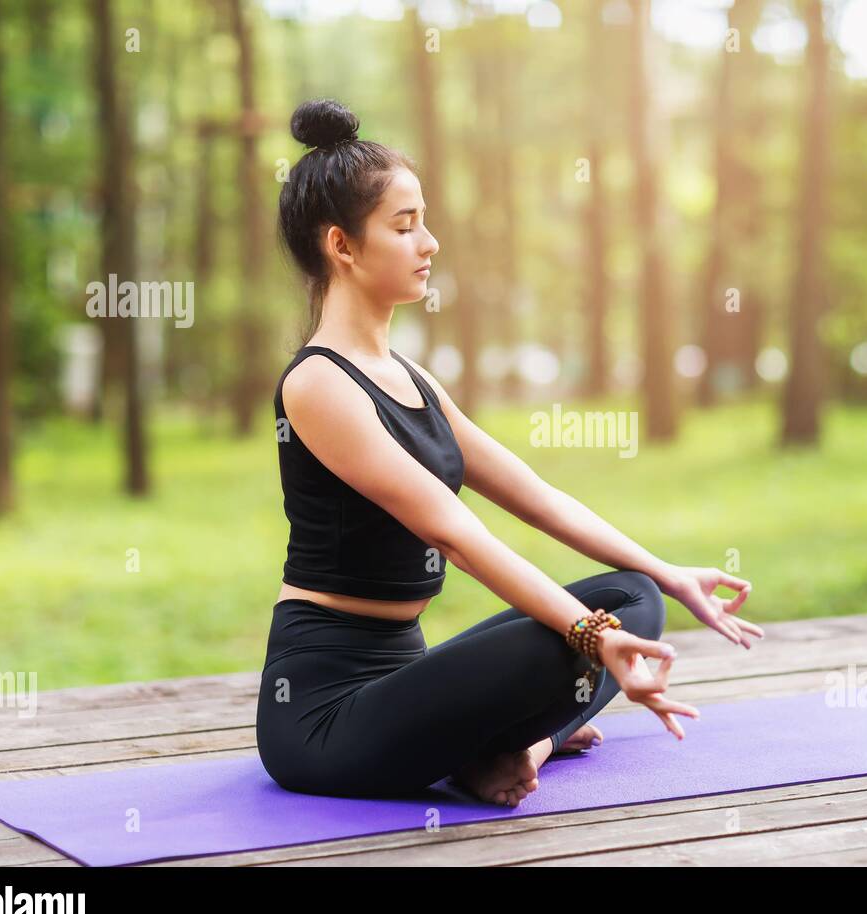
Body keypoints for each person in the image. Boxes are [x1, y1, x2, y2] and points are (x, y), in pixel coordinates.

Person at [255, 98, 763, 808]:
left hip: (406, 676)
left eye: (425, 221)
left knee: (634, 600)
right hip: (326, 716)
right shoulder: (318, 384)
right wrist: (589, 635)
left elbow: (540, 500)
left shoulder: (412, 379)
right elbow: (455, 536)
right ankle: (509, 743)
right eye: (405, 226)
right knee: (587, 632)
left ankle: (517, 746)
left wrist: (670, 575)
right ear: (343, 246)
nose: (430, 243)